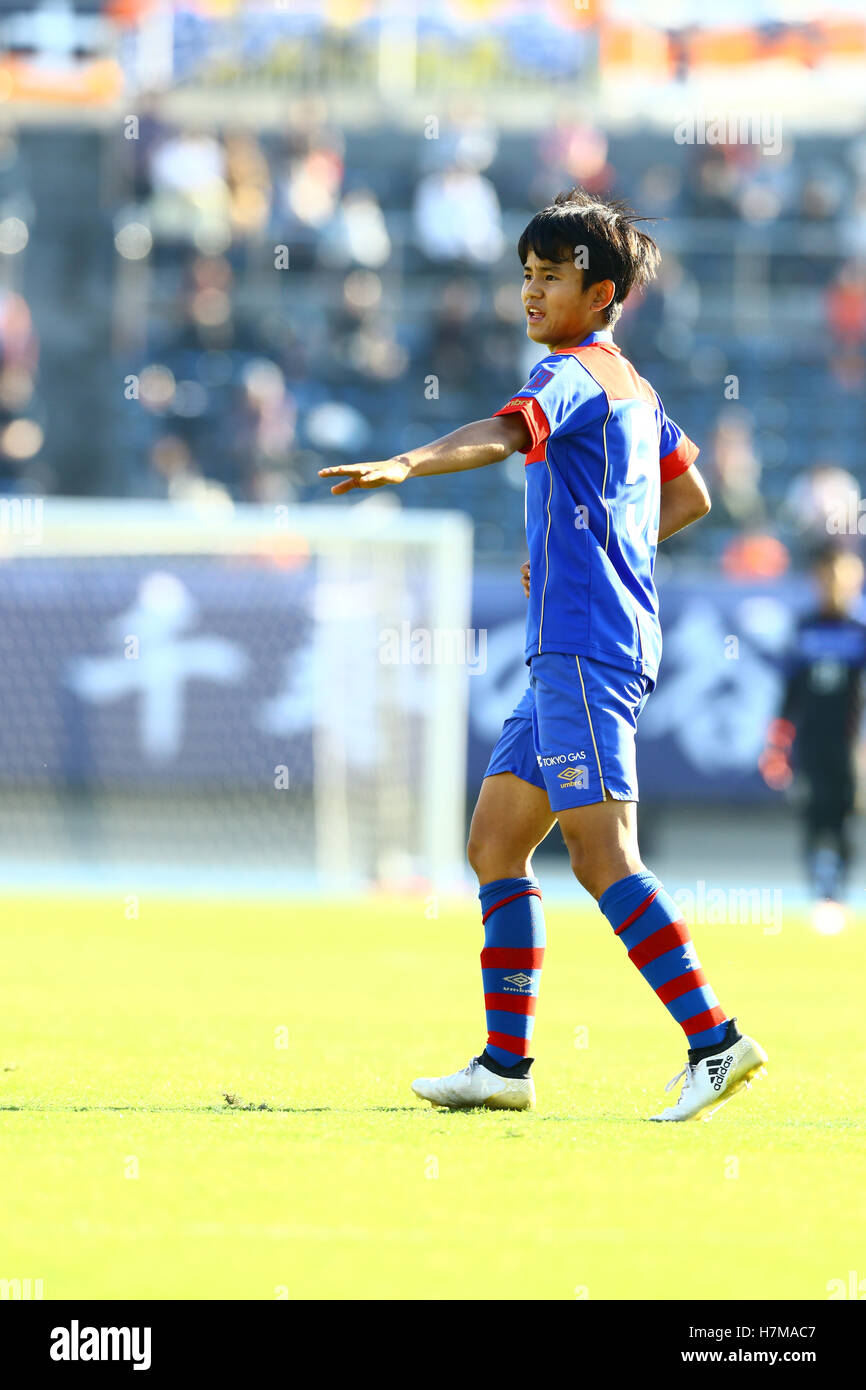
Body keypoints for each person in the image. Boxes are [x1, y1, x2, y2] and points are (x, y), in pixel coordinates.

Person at [320, 188, 768, 1121]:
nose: (530, 294)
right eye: (525, 275)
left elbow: (501, 431)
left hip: (584, 647)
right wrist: (598, 546)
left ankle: (715, 1041)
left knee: (604, 857)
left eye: (550, 278)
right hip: (572, 643)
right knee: (495, 842)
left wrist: (406, 464)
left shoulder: (569, 375)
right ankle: (504, 1067)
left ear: (600, 294)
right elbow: (690, 500)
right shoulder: (637, 392)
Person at [760, 543, 866, 932]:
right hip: (810, 742)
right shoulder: (804, 628)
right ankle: (820, 894)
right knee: (812, 816)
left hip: (849, 744)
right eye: (828, 576)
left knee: (843, 819)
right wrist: (777, 742)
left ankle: (836, 893)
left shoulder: (860, 631)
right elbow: (790, 693)